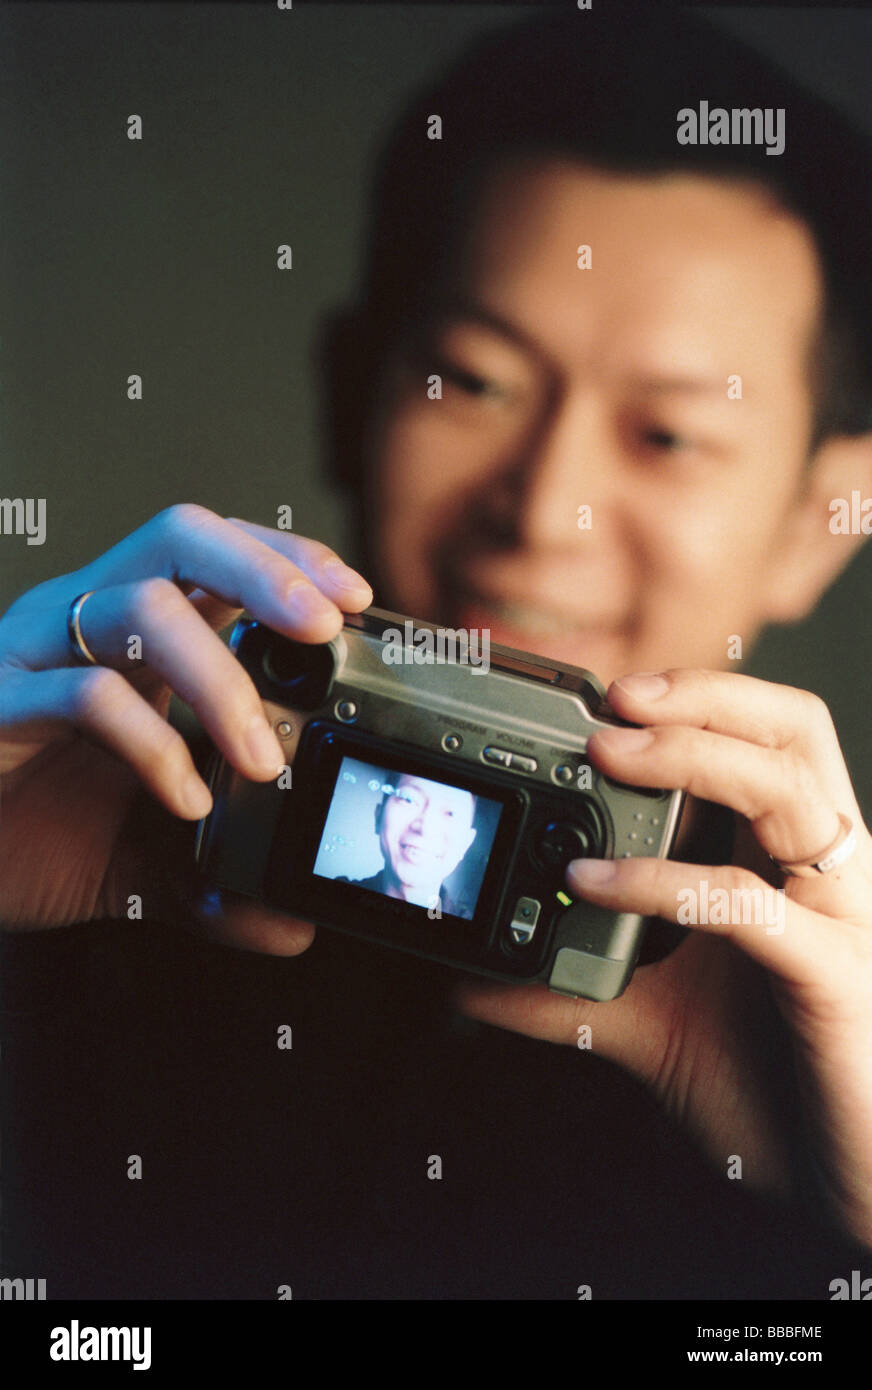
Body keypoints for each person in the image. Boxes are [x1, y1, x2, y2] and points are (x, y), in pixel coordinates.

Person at [2, 4, 872, 1298]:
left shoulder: (818, 1061)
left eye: (669, 435)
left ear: (823, 520)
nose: (543, 509)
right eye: (471, 381)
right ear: (355, 396)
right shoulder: (73, 842)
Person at [335, 775, 478, 918]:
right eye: (408, 799)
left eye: (451, 813)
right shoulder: (334, 898)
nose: (425, 828)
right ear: (378, 817)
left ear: (465, 844)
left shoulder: (473, 937)